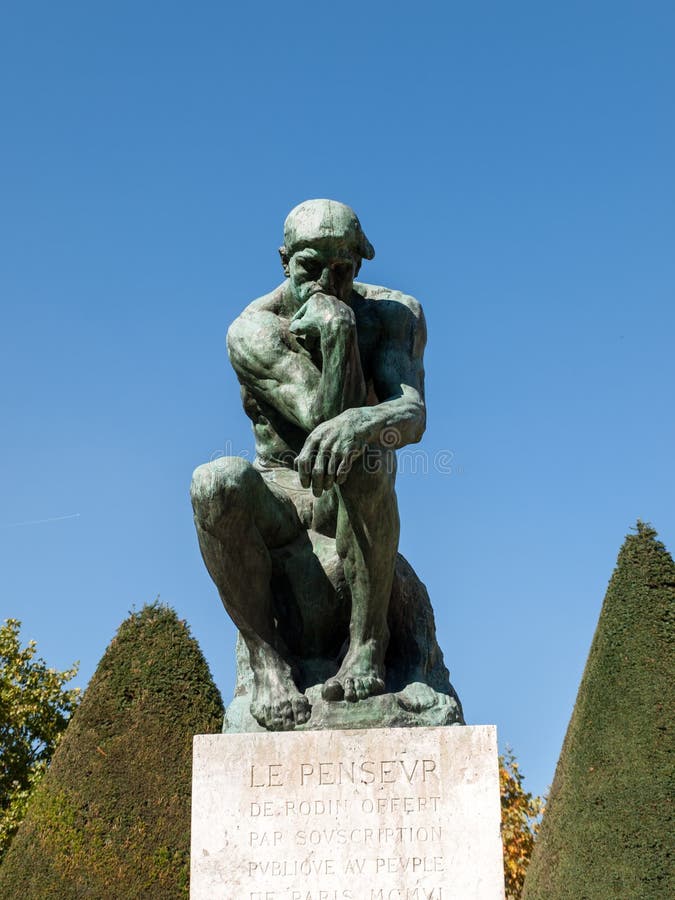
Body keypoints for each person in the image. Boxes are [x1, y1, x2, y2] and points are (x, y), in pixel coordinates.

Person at [191, 199, 427, 730]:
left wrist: (365, 421)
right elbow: (320, 419)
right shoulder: (252, 330)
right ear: (284, 261)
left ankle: (368, 645)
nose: (326, 282)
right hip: (282, 497)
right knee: (214, 482)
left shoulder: (395, 314)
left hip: (350, 499)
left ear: (360, 264)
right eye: (309, 268)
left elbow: (411, 415)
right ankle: (266, 659)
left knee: (364, 452)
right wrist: (340, 331)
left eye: (342, 269)